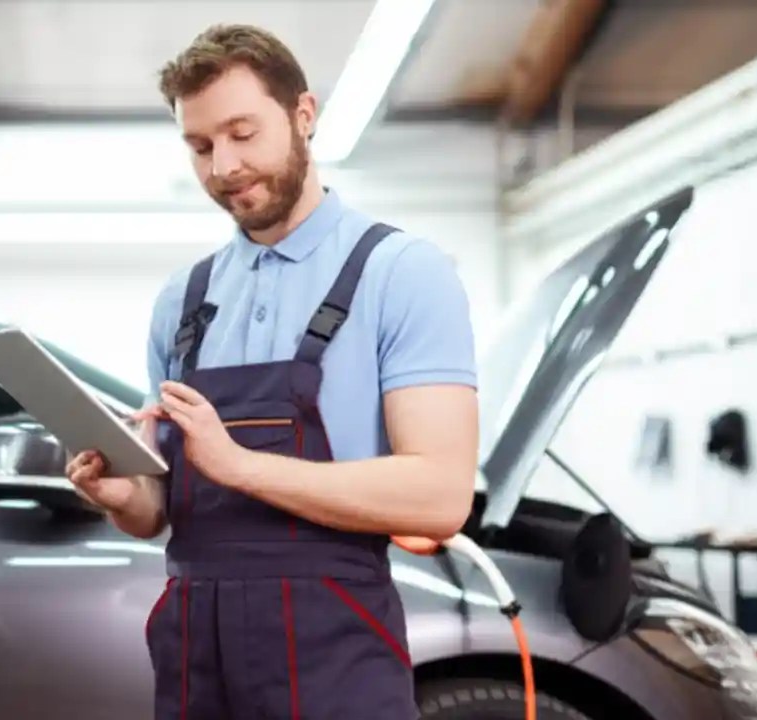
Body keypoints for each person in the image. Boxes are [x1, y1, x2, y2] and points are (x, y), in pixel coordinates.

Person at [65, 23, 479, 720]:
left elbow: (438, 496)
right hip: (198, 640)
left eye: (242, 133)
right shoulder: (184, 300)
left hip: (334, 640)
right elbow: (159, 510)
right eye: (200, 145)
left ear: (303, 115)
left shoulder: (402, 273)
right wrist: (119, 495)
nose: (223, 165)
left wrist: (241, 465)